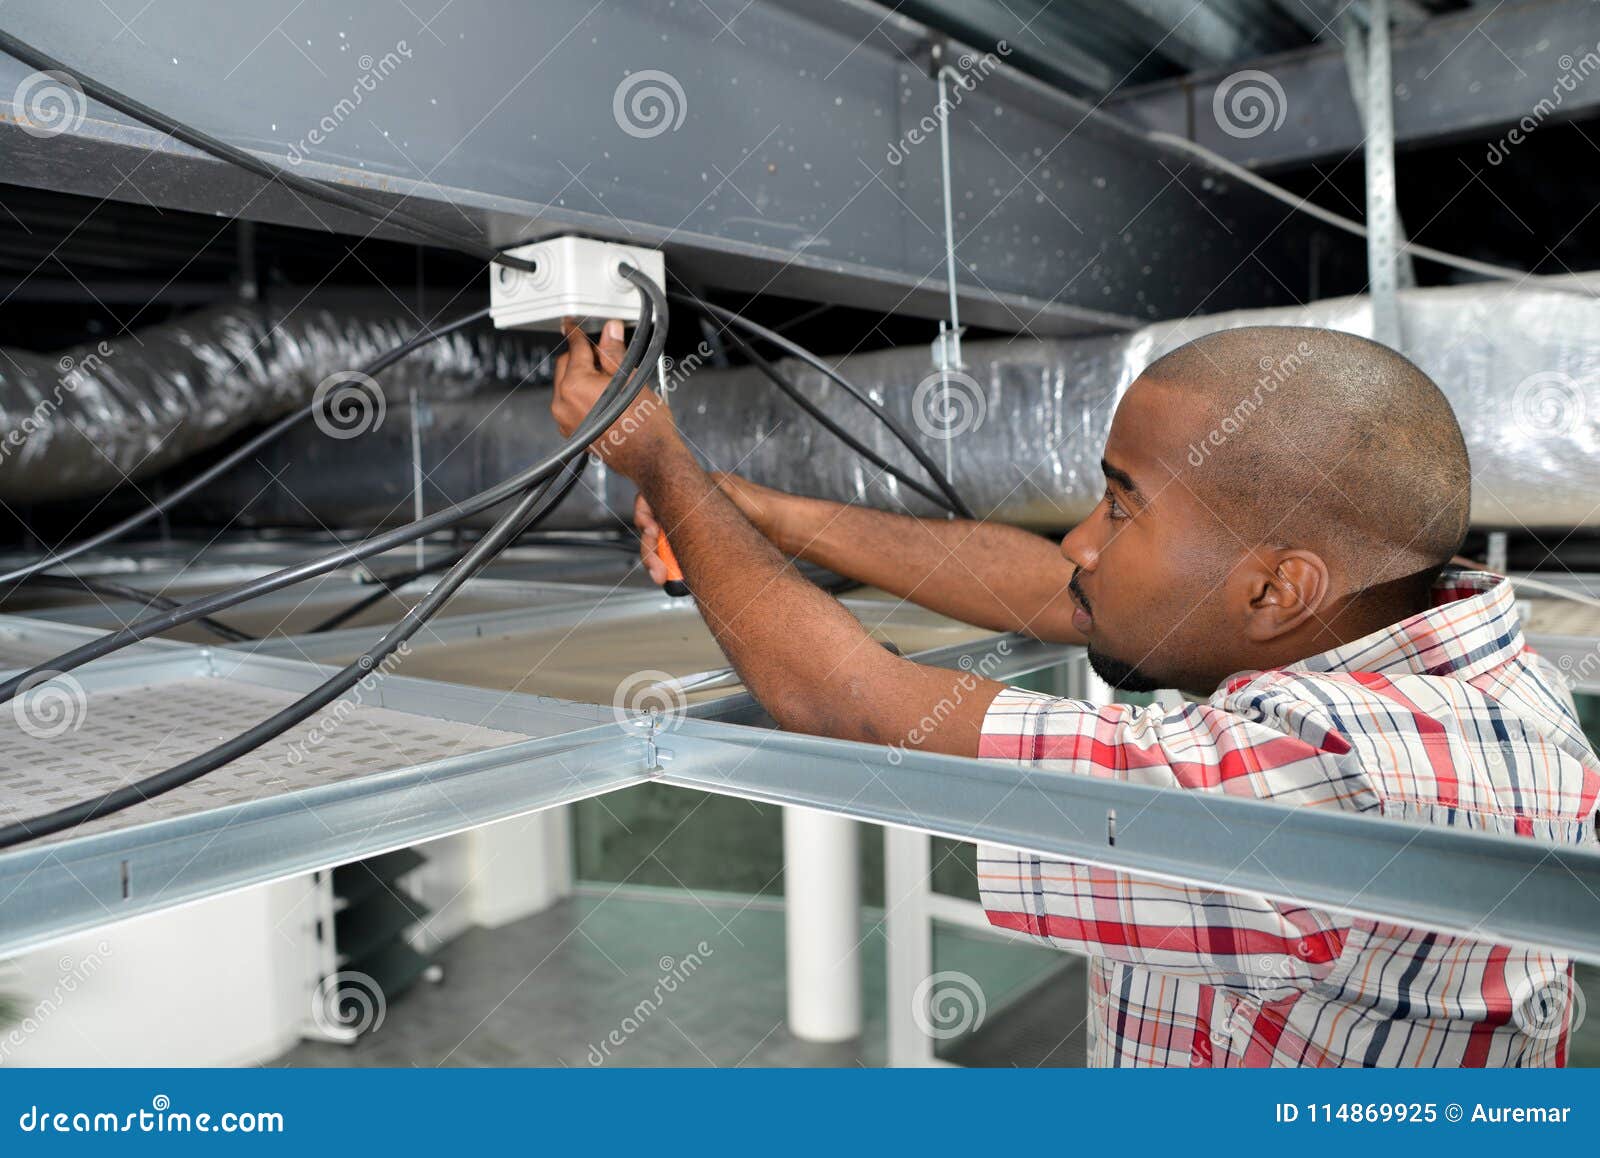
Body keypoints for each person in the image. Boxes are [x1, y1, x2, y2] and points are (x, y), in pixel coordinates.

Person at [553, 317, 1600, 1067]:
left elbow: (852, 705)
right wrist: (752, 511)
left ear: (1277, 588)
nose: (1080, 542)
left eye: (1120, 505)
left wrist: (661, 466)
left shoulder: (1327, 775)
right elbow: (1067, 594)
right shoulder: (1448, 654)